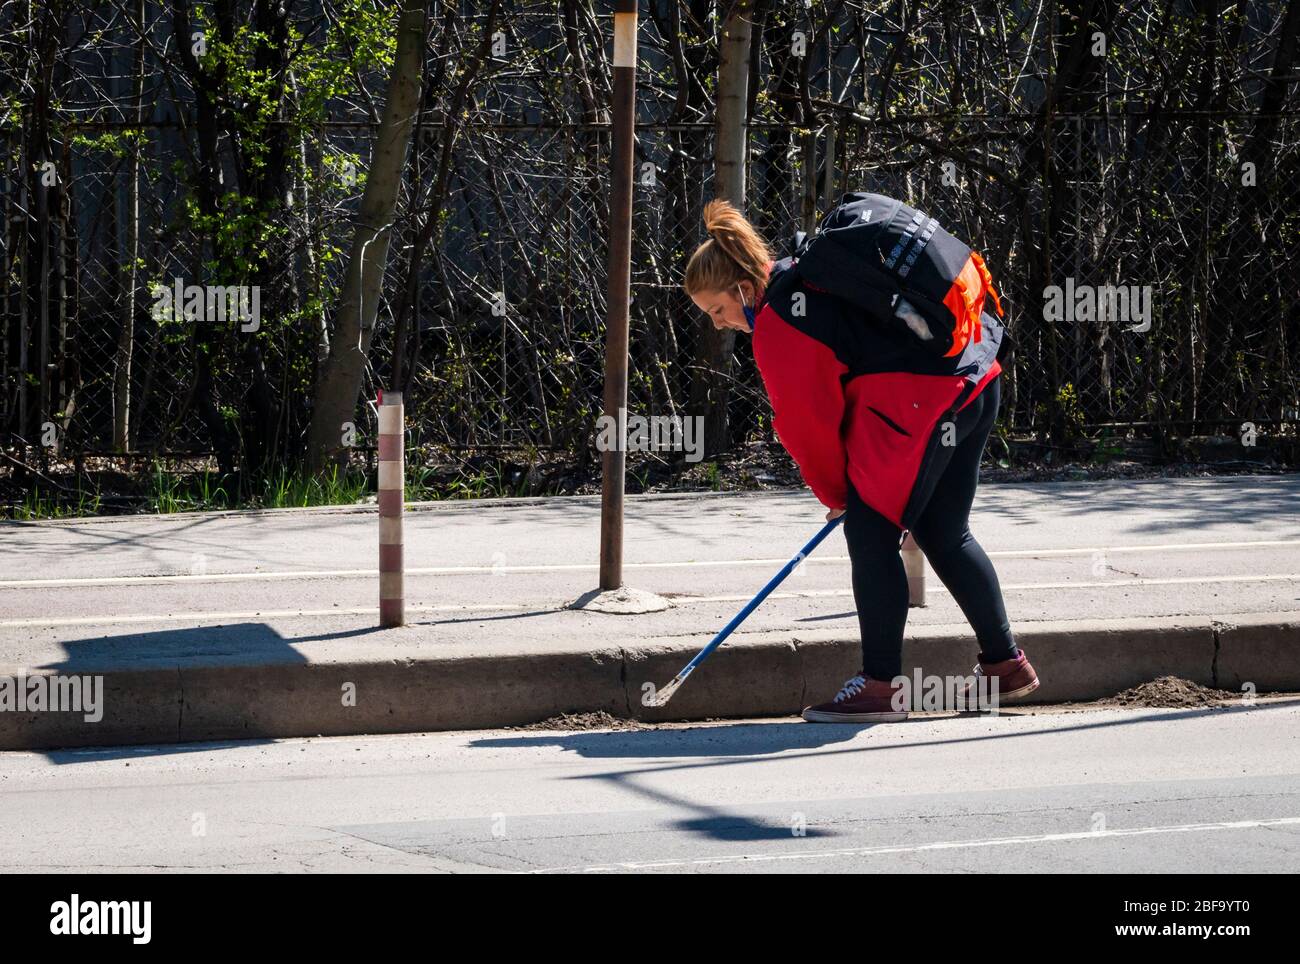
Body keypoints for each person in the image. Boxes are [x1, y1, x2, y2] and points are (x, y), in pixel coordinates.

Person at [683, 197, 1039, 723]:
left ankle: (880, 685)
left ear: (740, 289)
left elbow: (808, 427)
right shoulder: (806, 274)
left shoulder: (780, 325)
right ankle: (1004, 667)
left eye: (717, 310)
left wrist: (839, 497)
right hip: (975, 373)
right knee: (944, 531)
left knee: (871, 533)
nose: (719, 324)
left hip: (927, 398)